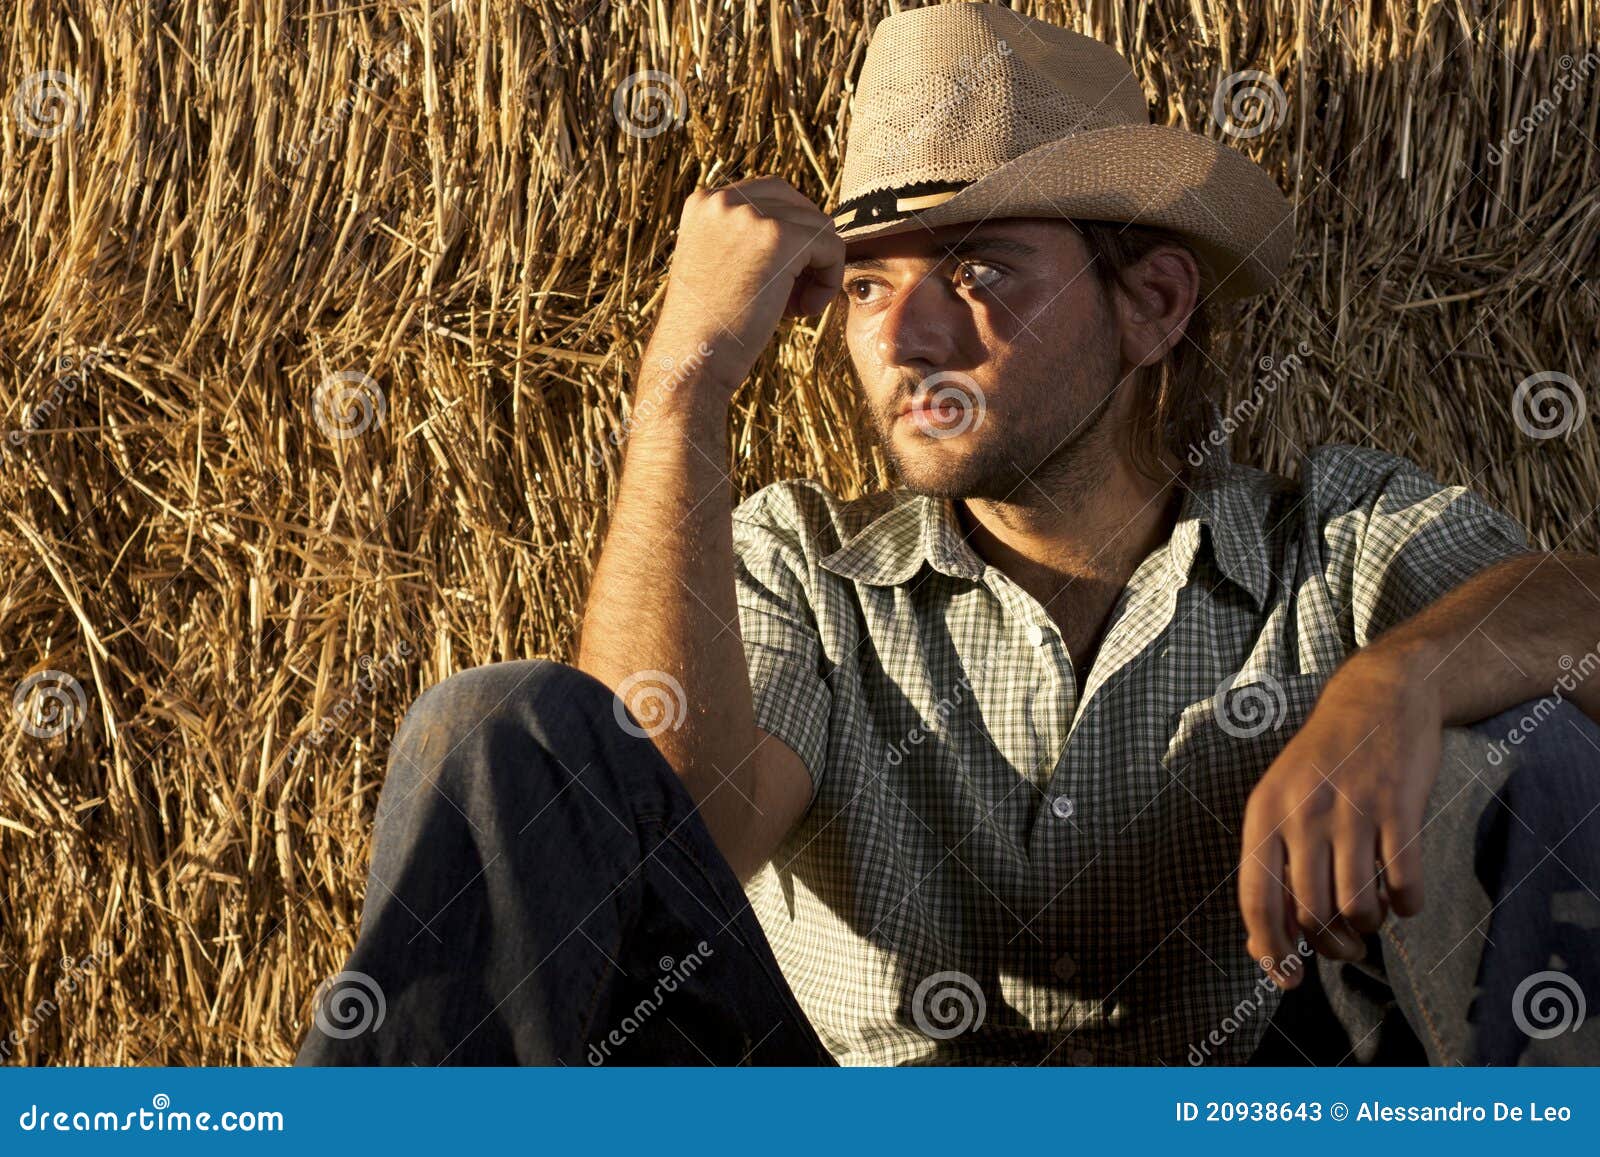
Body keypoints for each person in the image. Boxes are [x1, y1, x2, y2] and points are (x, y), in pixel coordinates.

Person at [297, 2, 1600, 1066]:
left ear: (1150, 305)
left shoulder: (1337, 539)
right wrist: (685, 381)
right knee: (502, 727)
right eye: (866, 285)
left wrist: (1402, 679)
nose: (907, 334)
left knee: (1516, 758)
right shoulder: (801, 569)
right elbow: (668, 837)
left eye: (979, 271)